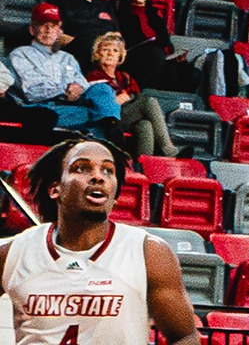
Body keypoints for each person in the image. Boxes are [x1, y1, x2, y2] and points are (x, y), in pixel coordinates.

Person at [0, 138, 200, 345]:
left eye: (108, 170)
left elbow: (185, 337)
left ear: (114, 198)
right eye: (81, 168)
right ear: (55, 190)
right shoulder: (13, 252)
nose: (98, 176)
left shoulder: (149, 252)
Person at [12, 4, 120, 137]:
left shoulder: (67, 58)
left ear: (59, 31)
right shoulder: (20, 54)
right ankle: (109, 132)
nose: (48, 30)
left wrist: (77, 89)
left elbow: (83, 85)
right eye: (43, 25)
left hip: (74, 109)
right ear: (32, 29)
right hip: (44, 110)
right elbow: (32, 92)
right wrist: (64, 90)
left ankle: (110, 123)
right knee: (95, 119)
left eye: (53, 26)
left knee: (102, 89)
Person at [88, 33, 180, 157]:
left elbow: (135, 96)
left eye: (115, 51)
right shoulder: (93, 77)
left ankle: (144, 162)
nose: (110, 54)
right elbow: (98, 106)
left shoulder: (125, 76)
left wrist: (128, 98)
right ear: (98, 54)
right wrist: (117, 100)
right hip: (110, 120)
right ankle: (167, 148)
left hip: (128, 116)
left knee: (145, 125)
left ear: (120, 57)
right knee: (148, 101)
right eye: (105, 50)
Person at [115, 0, 195, 92]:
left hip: (160, 58)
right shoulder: (120, 16)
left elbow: (166, 41)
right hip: (136, 58)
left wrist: (175, 55)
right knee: (157, 57)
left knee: (193, 73)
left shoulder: (155, 15)